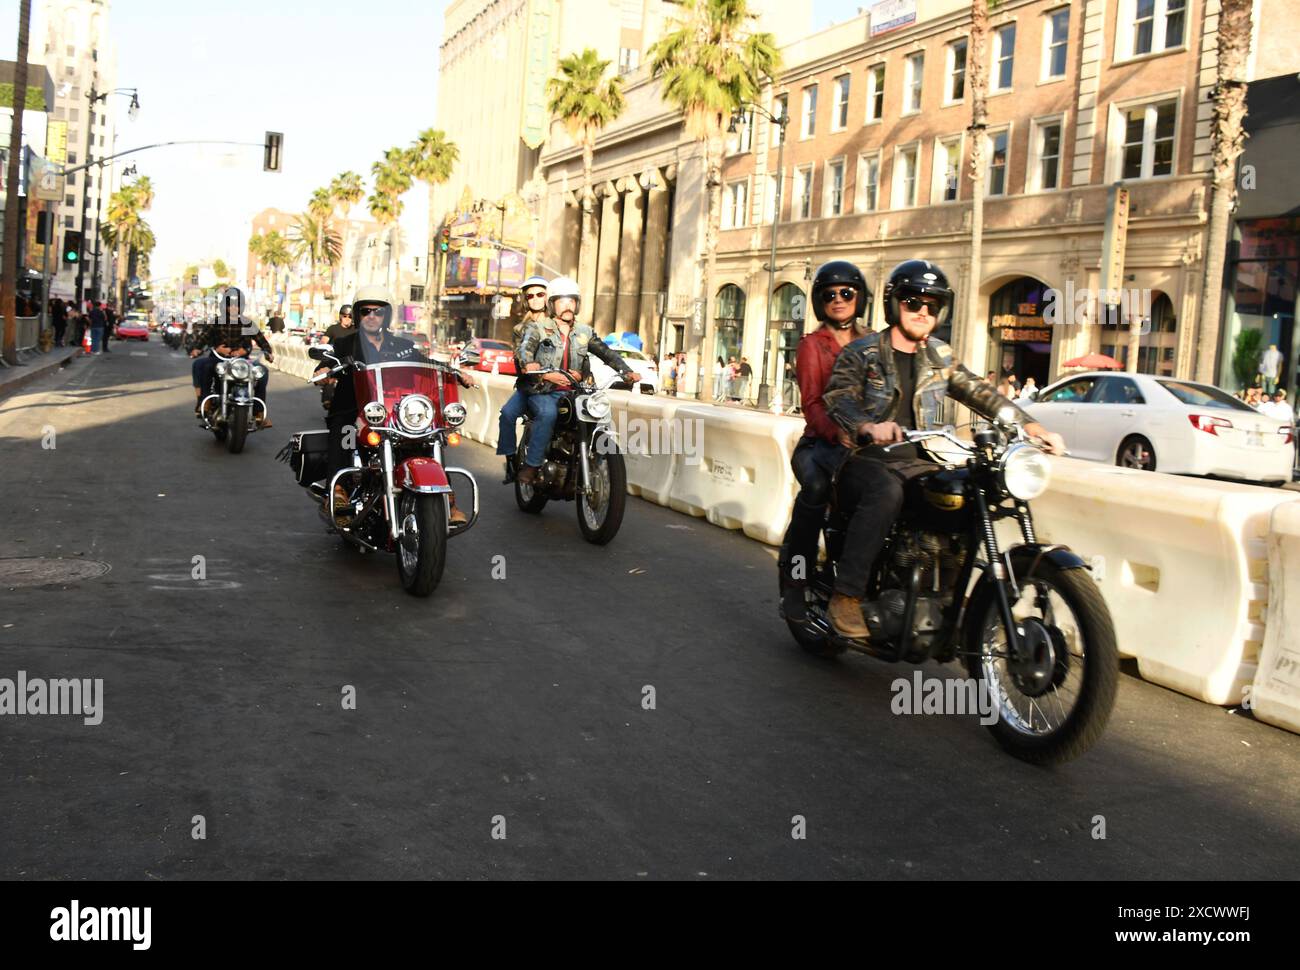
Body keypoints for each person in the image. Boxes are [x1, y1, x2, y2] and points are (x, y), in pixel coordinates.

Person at [821, 259, 1067, 641]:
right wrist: (867, 426)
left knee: (964, 491)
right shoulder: (862, 351)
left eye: (931, 305)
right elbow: (839, 397)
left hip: (917, 459)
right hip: (864, 459)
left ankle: (948, 594)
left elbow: (980, 392)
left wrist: (1030, 426)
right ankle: (847, 595)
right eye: (913, 302)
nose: (923, 311)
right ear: (894, 304)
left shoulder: (940, 356)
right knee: (887, 492)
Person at [314, 285, 477, 524]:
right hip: (355, 408)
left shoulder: (401, 346)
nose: (372, 316)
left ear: (386, 315)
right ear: (358, 314)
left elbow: (425, 363)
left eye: (378, 312)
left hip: (392, 411)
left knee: (428, 435)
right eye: (366, 311)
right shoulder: (345, 344)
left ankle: (447, 498)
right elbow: (326, 363)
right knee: (343, 431)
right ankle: (337, 491)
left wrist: (456, 373)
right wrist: (323, 370)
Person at [780, 260, 873, 621]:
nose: (838, 299)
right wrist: (840, 433)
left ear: (859, 297)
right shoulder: (811, 345)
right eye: (830, 294)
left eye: (846, 293)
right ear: (820, 301)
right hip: (820, 445)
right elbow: (813, 405)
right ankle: (795, 579)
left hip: (867, 445)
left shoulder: (873, 342)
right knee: (816, 490)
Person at [513, 276, 640, 486]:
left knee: (596, 414)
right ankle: (532, 465)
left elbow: (606, 353)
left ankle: (588, 459)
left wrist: (626, 371)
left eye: (571, 301)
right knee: (548, 413)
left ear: (577, 304)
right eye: (562, 301)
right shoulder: (538, 328)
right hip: (543, 389)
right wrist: (529, 364)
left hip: (575, 390)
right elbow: (525, 348)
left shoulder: (584, 332)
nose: (567, 306)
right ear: (552, 304)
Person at [189, 287, 276, 427]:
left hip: (242, 362)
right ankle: (204, 401)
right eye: (231, 305)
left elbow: (262, 342)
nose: (234, 308)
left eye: (237, 305)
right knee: (201, 365)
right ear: (225, 306)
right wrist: (198, 349)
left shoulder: (247, 323)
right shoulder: (216, 322)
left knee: (262, 372)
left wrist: (268, 353)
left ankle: (259, 413)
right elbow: (202, 339)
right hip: (219, 360)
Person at [496, 276, 550, 483]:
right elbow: (520, 356)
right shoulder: (520, 329)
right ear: (525, 300)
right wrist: (529, 366)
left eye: (540, 294)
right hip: (529, 386)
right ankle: (511, 463)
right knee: (507, 414)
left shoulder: (557, 324)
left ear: (548, 297)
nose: (535, 299)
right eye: (530, 296)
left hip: (555, 385)